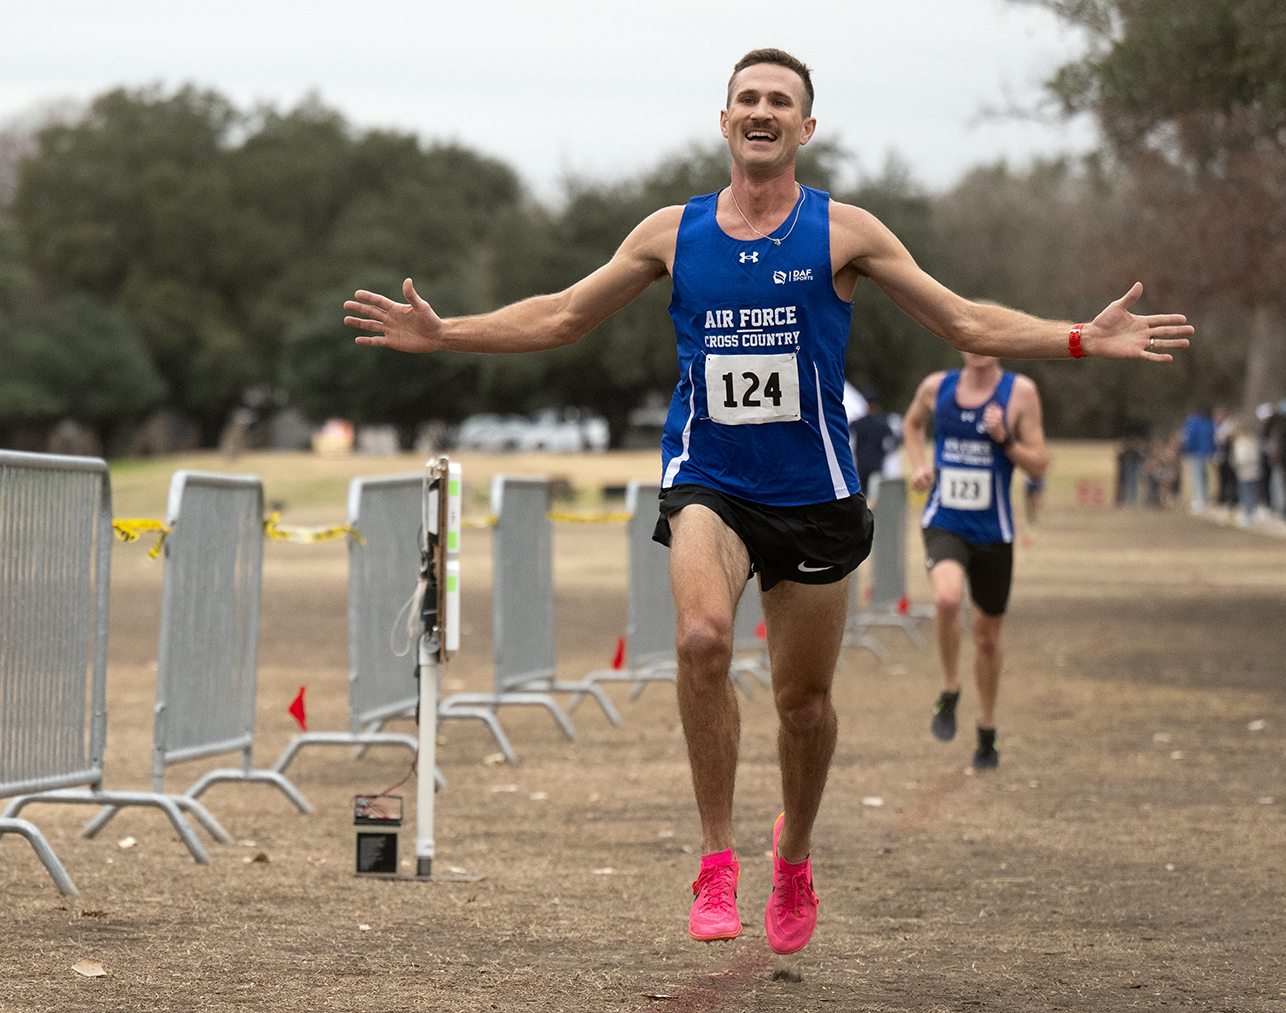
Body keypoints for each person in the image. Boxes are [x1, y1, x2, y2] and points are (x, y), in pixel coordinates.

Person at [342, 48, 1191, 955]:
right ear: (723, 121)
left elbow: (965, 323)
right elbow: (562, 315)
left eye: (779, 101)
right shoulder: (674, 233)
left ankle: (797, 851)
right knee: (703, 639)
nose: (761, 110)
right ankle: (717, 859)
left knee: (803, 704)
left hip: (815, 495)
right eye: (746, 97)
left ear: (805, 128)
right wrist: (447, 334)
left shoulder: (844, 232)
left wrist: (1075, 338)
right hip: (710, 478)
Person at [901, 352, 1048, 770]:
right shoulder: (936, 387)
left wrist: (1005, 439)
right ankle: (950, 689)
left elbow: (1039, 463)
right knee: (946, 599)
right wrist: (919, 465)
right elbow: (912, 424)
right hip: (944, 520)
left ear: (998, 343)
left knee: (986, 639)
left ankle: (987, 728)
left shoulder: (1020, 392)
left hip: (994, 532)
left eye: (986, 337)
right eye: (969, 337)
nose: (977, 346)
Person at [849, 388, 902, 497]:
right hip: (877, 465)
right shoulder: (882, 423)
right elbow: (896, 439)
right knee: (875, 496)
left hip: (861, 465)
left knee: (863, 494)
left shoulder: (859, 423)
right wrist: (886, 452)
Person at [1179, 407, 1217, 513]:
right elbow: (1212, 436)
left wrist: (1185, 450)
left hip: (1194, 452)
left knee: (1197, 477)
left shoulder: (1192, 422)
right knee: (1204, 476)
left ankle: (1199, 501)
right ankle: (1204, 499)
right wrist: (1213, 450)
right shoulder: (1208, 422)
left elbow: (1189, 438)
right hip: (1207, 452)